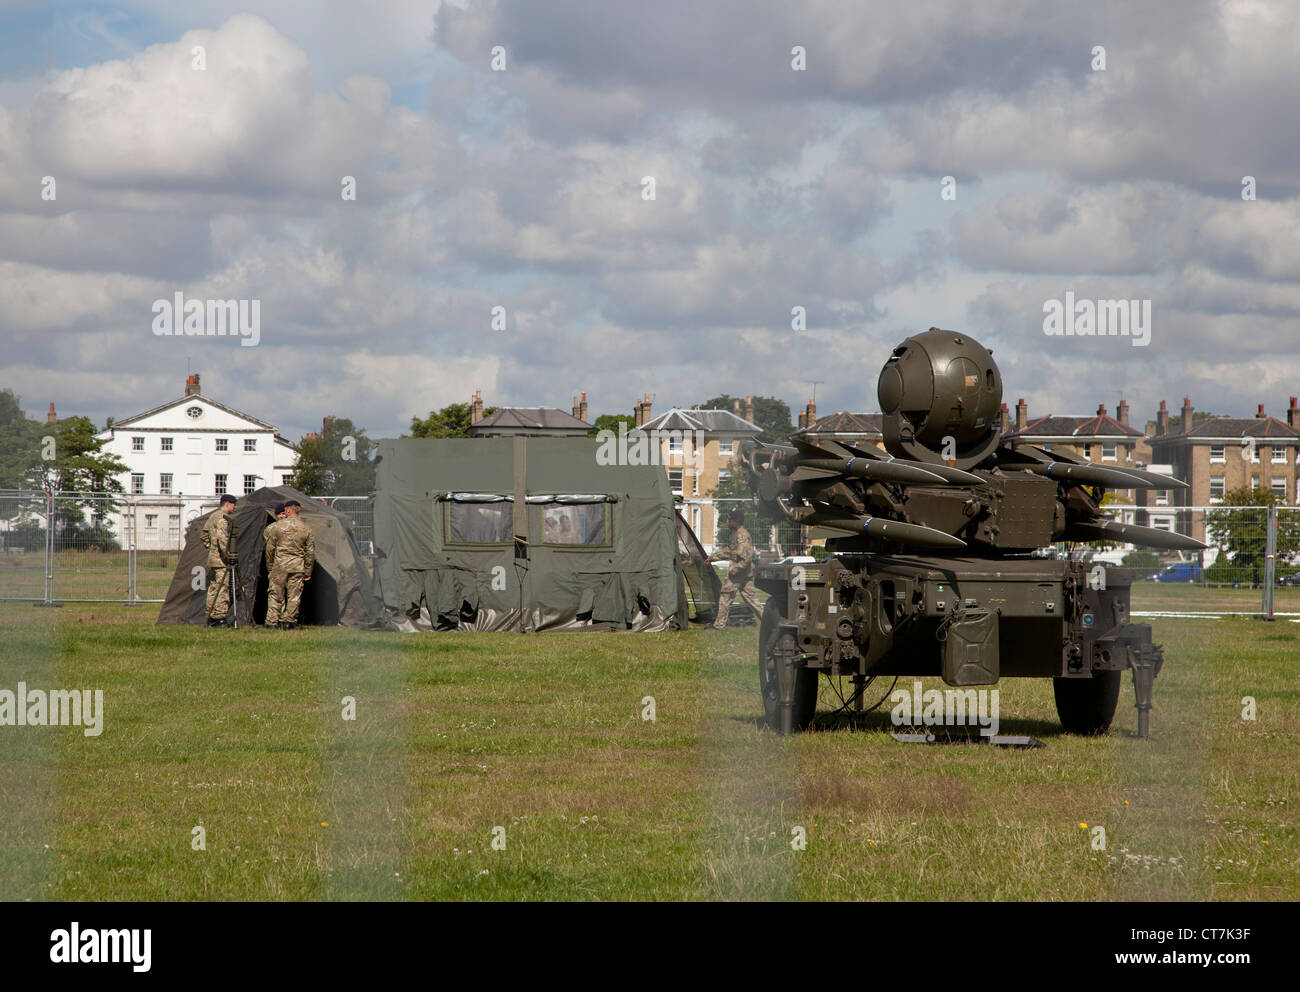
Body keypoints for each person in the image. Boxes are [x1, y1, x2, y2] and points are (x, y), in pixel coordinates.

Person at [709, 508, 763, 630]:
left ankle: (719, 625)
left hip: (738, 573)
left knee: (725, 596)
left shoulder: (742, 535)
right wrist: (713, 558)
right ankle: (768, 621)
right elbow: (730, 551)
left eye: (730, 520)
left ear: (737, 521)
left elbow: (746, 558)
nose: (728, 522)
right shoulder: (736, 534)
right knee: (751, 598)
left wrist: (735, 570)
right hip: (744, 572)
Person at [266, 499, 315, 630]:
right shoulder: (306, 528)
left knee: (276, 594)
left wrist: (270, 567)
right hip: (297, 566)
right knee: (294, 596)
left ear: (287, 510)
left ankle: (272, 622)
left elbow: (269, 549)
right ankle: (288, 622)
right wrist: (308, 571)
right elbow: (310, 552)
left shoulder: (277, 526)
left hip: (280, 565)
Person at [199, 494, 237, 627]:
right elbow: (223, 540)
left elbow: (203, 535)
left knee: (214, 588)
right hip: (221, 560)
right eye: (234, 504)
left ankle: (210, 615)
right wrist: (228, 556)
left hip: (213, 558)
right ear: (228, 504)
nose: (235, 507)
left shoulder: (212, 516)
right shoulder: (222, 518)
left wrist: (211, 548)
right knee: (222, 588)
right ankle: (219, 617)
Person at [261, 503, 287, 628]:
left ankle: (282, 619)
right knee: (276, 593)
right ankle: (273, 620)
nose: (282, 516)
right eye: (280, 514)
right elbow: (268, 549)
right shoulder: (271, 529)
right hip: (277, 564)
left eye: (284, 513)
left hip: (284, 564)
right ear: (276, 515)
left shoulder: (288, 527)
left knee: (284, 593)